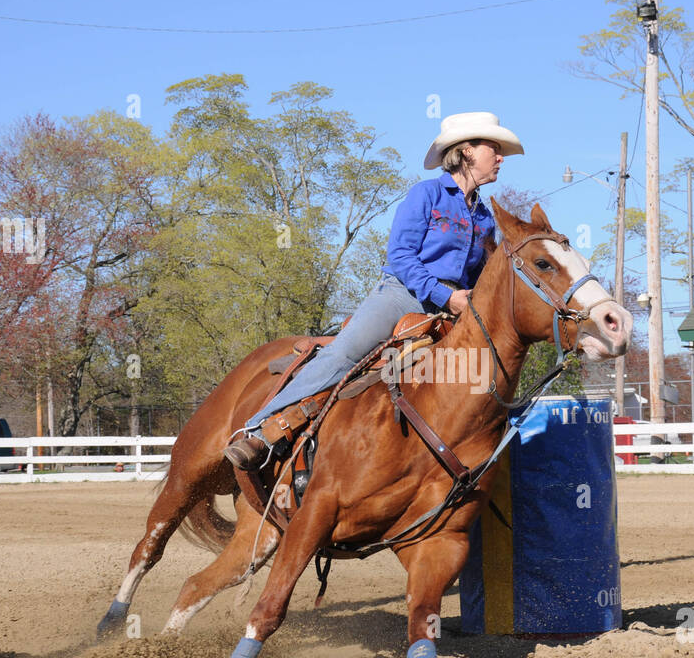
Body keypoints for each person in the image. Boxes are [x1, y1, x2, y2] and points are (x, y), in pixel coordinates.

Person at [222, 111, 524, 470]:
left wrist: (474, 299)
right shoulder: (426, 194)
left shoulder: (485, 217)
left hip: (455, 307)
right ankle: (259, 431)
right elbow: (400, 255)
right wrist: (445, 296)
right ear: (467, 151)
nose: (501, 158)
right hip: (402, 295)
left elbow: (480, 276)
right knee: (344, 354)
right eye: (495, 148)